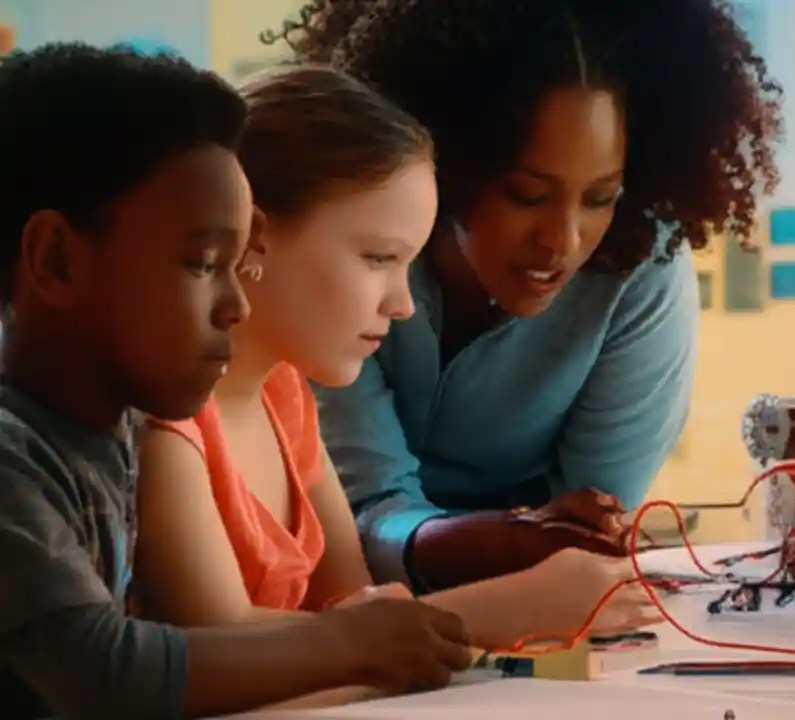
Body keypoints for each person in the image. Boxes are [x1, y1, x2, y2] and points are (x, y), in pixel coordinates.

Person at [0, 43, 470, 720]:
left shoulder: (106, 441)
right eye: (202, 264)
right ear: (56, 261)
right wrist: (344, 644)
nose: (237, 305)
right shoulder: (12, 456)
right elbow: (102, 671)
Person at [132, 64, 656, 652]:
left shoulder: (285, 398)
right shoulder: (166, 426)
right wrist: (506, 608)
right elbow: (219, 648)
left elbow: (354, 607)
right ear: (253, 236)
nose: (404, 305)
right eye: (380, 258)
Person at [276, 0, 784, 592]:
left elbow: (588, 532)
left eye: (600, 198)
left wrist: (538, 539)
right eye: (527, 195)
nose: (562, 241)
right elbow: (354, 511)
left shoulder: (640, 275)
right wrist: (509, 539)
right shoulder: (350, 255)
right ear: (451, 164)